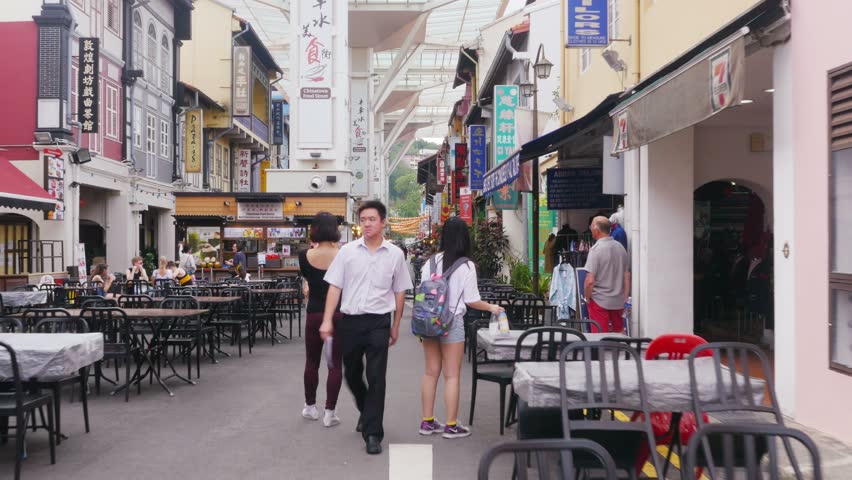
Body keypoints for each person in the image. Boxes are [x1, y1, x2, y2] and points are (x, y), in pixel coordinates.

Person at [320, 200, 413, 455]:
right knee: (351, 373)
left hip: (378, 323)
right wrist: (328, 319)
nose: (367, 224)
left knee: (376, 377)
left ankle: (373, 433)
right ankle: (366, 408)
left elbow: (400, 291)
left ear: (383, 222)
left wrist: (395, 325)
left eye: (372, 219)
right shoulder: (347, 251)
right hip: (350, 321)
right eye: (363, 220)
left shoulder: (395, 254)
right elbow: (335, 287)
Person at [418, 217, 504, 439]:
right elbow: (472, 301)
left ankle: (427, 422)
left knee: (430, 372)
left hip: (428, 320)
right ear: (465, 237)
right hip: (452, 323)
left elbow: (422, 291)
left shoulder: (431, 262)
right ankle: (451, 425)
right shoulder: (466, 266)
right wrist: (492, 307)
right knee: (452, 376)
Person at [299, 212, 344, 428]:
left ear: (315, 229)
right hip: (338, 314)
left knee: (312, 361)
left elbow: (308, 279)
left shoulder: (303, 255)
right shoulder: (344, 255)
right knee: (335, 364)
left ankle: (309, 407)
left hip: (314, 313)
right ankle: (330, 412)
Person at [583, 216, 630, 333]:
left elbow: (590, 281)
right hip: (618, 301)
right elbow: (627, 277)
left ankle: (601, 352)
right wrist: (624, 298)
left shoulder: (596, 250)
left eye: (591, 227)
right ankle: (620, 351)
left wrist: (587, 298)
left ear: (596, 230)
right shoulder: (621, 248)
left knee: (599, 336)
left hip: (599, 301)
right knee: (619, 333)